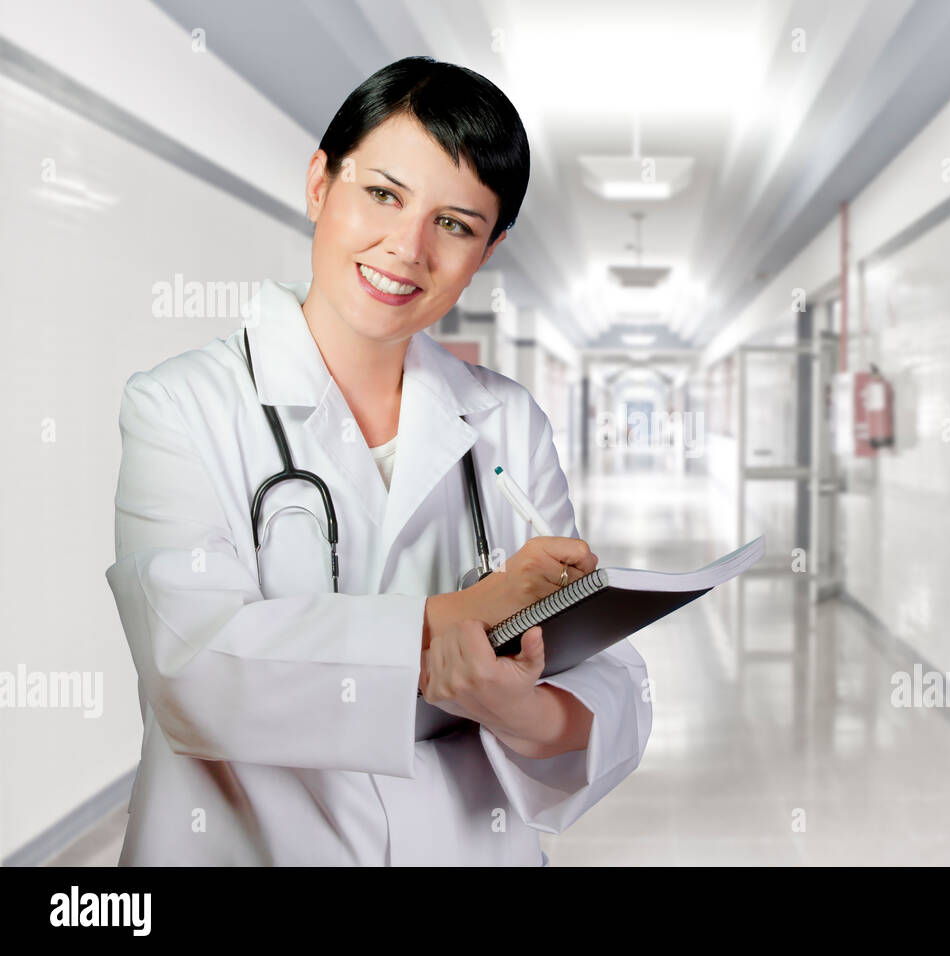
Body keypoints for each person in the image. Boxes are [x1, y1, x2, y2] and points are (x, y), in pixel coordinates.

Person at [104, 57, 652, 865]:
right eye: (384, 194)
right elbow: (195, 667)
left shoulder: (508, 422)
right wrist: (461, 617)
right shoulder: (180, 406)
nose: (408, 247)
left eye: (456, 225)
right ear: (321, 182)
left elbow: (602, 679)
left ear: (488, 250)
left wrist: (517, 710)